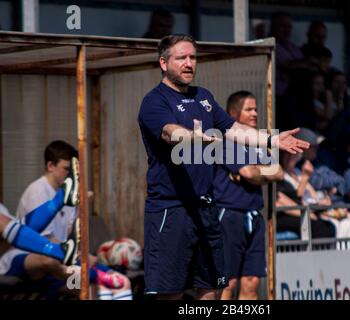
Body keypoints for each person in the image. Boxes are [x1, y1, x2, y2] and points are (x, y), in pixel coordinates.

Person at [137, 34, 309, 300]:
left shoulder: (203, 97)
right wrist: (189, 137)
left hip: (206, 209)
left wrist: (272, 139)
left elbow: (233, 129)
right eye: (181, 58)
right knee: (170, 293)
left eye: (192, 57)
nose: (189, 63)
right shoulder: (155, 101)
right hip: (171, 210)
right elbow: (169, 132)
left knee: (210, 288)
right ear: (163, 62)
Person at [15, 141, 132, 299]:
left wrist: (81, 207)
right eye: (66, 169)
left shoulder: (65, 192)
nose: (70, 175)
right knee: (99, 286)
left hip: (64, 261)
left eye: (73, 171)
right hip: (44, 266)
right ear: (50, 166)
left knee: (114, 277)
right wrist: (80, 256)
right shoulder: (37, 191)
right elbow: (43, 241)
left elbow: (72, 233)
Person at [214, 91, 283, 300]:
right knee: (229, 282)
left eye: (255, 108)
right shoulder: (224, 140)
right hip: (229, 215)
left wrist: (255, 173)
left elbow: (278, 171)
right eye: (249, 109)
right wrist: (260, 172)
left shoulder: (260, 142)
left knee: (251, 281)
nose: (255, 113)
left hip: (254, 214)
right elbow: (248, 172)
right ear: (234, 114)